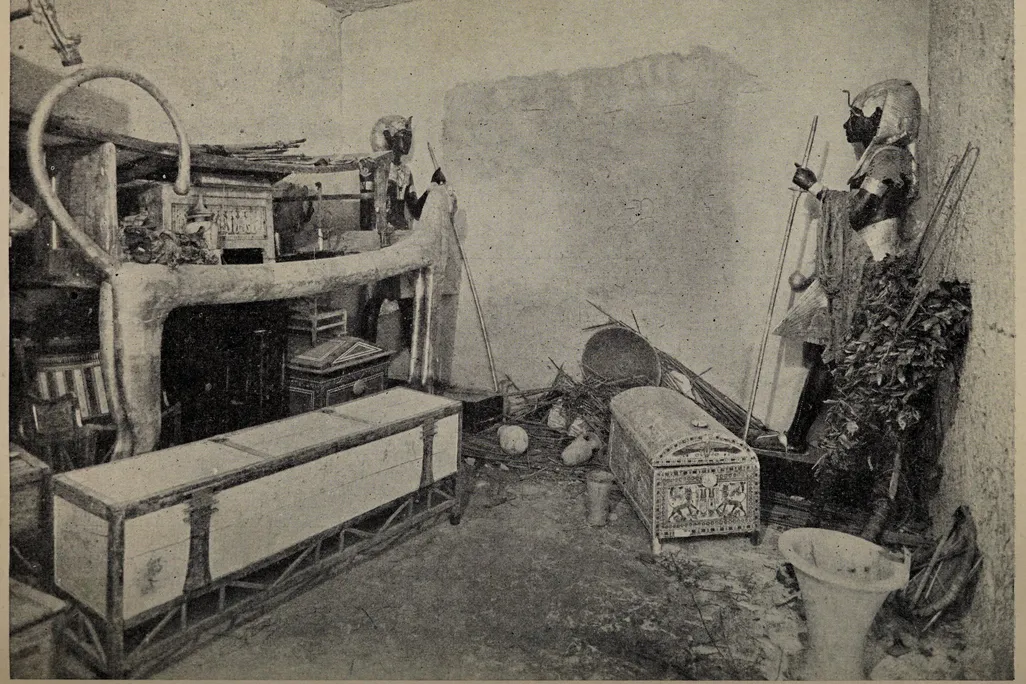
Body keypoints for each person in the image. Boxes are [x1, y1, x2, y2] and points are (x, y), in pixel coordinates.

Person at [783, 79, 921, 452]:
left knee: (840, 359)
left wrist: (815, 189)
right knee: (829, 356)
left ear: (885, 119)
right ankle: (797, 436)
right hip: (859, 269)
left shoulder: (889, 160)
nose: (848, 126)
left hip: (870, 273)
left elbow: (859, 213)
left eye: (856, 117)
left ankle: (804, 440)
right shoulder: (881, 160)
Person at [358, 115, 447, 347]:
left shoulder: (406, 172)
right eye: (402, 136)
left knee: (407, 301)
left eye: (409, 137)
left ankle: (412, 359)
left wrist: (432, 186)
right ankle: (366, 356)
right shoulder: (371, 166)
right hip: (380, 240)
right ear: (387, 137)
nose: (407, 142)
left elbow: (416, 211)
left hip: (401, 240)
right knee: (373, 301)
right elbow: (366, 210)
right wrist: (375, 235)